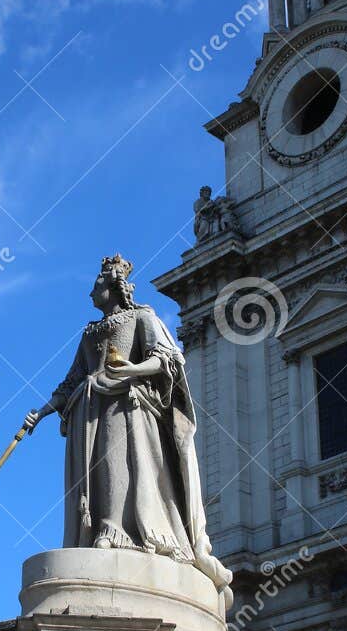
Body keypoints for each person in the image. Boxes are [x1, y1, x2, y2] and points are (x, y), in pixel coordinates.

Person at [23, 253, 231, 600]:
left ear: (113, 287)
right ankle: (95, 532)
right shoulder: (88, 333)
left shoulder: (142, 317)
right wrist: (41, 413)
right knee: (93, 475)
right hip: (89, 409)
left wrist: (128, 372)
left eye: (96, 285)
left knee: (118, 466)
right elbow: (69, 381)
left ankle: (117, 531)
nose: (91, 293)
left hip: (127, 406)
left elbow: (165, 360)